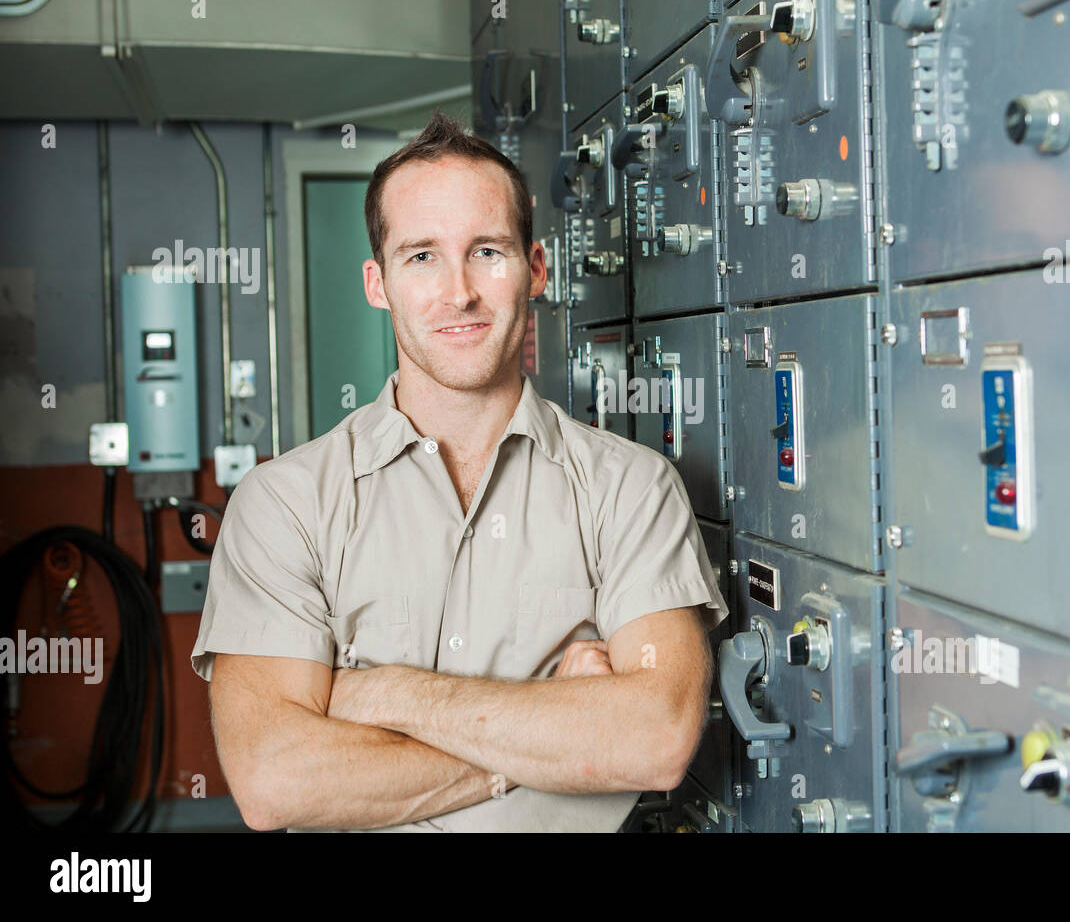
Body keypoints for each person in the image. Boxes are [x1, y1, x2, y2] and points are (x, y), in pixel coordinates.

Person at [191, 113, 728, 832]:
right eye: (421, 257)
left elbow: (654, 741)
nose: (459, 292)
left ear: (535, 269)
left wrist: (388, 696)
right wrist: (551, 739)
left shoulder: (631, 489)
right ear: (377, 283)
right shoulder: (282, 504)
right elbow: (273, 780)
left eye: (486, 251)